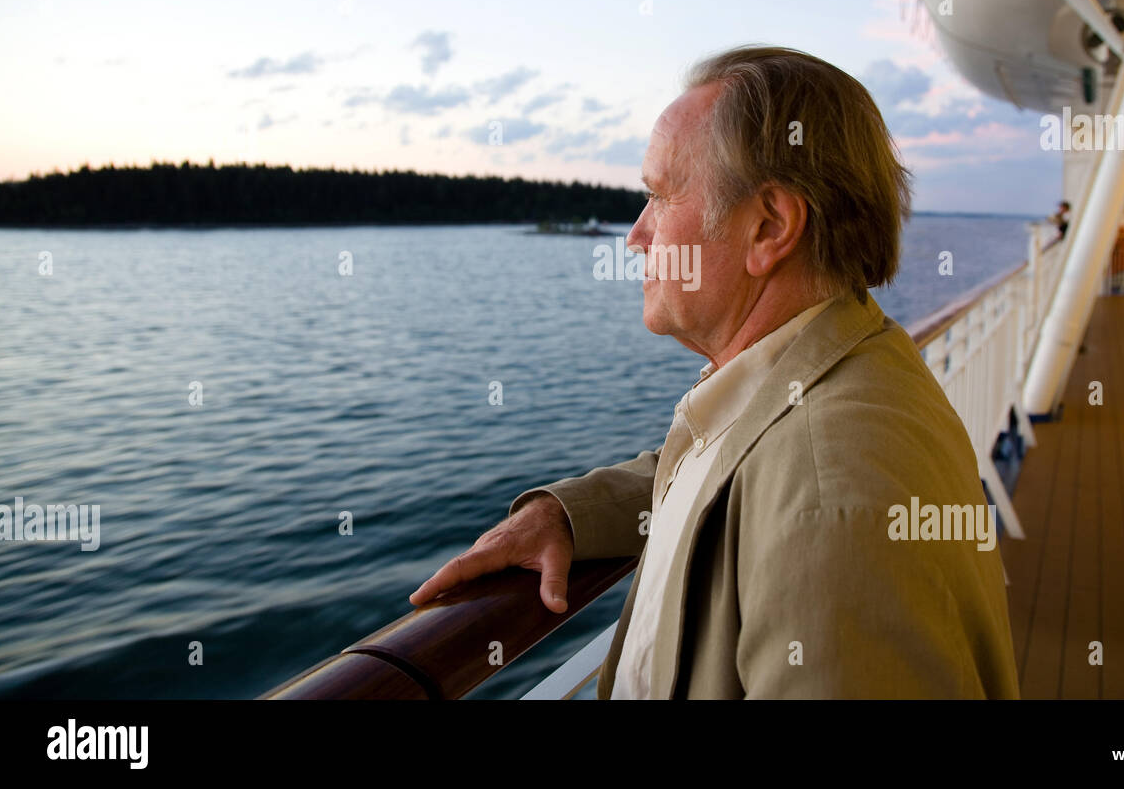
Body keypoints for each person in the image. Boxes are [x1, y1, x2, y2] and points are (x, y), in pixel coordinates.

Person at [410, 45, 1020, 699]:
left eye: (657, 197)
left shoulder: (834, 495)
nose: (635, 237)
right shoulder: (832, 365)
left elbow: (799, 488)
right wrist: (569, 515)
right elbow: (734, 466)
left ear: (769, 227)